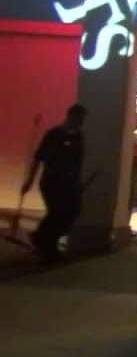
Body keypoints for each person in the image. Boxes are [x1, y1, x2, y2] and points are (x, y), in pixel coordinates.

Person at [22, 104, 88, 262]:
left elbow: (77, 163)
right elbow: (39, 157)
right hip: (53, 180)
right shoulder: (54, 135)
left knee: (70, 212)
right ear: (70, 116)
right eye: (78, 118)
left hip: (70, 182)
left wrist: (77, 182)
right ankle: (46, 244)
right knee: (57, 212)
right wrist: (30, 181)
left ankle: (43, 239)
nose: (80, 122)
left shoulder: (79, 137)